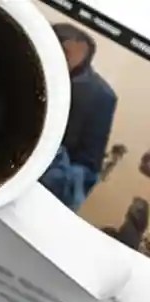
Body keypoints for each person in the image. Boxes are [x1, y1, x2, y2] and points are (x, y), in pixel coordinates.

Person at [40, 23, 119, 210]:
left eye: (66, 57)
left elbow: (87, 172)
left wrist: (51, 166)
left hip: (45, 198)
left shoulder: (101, 96)